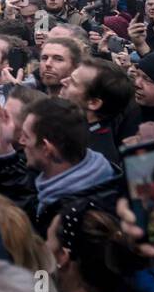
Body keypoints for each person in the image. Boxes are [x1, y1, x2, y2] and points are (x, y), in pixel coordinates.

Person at [19, 98, 123, 234]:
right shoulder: (105, 175)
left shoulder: (77, 223)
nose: (21, 141)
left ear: (46, 148)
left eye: (26, 136)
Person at [59, 58, 135, 167]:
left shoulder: (91, 158)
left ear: (93, 102)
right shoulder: (74, 131)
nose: (63, 81)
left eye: (73, 82)